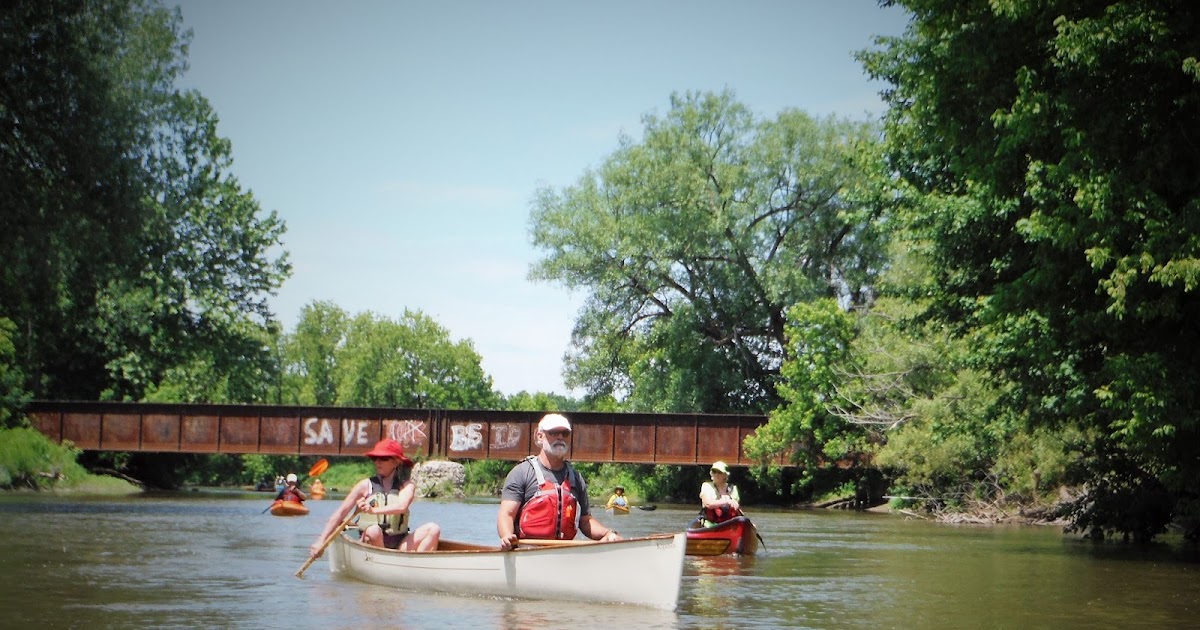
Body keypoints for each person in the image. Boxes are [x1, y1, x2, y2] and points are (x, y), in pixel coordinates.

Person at [497, 413, 621, 549]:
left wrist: (608, 534)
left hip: (563, 551)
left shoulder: (576, 478)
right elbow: (507, 514)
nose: (560, 437)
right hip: (526, 550)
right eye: (554, 432)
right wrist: (506, 536)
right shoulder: (521, 473)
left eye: (565, 433)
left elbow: (585, 521)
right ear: (540, 436)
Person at [308, 438, 441, 559]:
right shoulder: (365, 485)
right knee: (374, 530)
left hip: (399, 543)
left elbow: (402, 506)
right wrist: (321, 541)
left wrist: (372, 511)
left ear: (396, 461)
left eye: (383, 459)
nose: (377, 462)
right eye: (375, 458)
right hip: (371, 541)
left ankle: (417, 565)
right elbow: (340, 513)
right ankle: (384, 564)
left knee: (433, 528)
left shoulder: (406, 485)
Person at [698, 460, 742, 526]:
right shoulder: (706, 486)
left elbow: (736, 508)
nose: (716, 474)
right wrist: (727, 501)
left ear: (725, 475)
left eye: (719, 472)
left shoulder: (733, 488)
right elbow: (708, 504)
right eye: (714, 472)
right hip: (709, 525)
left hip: (730, 525)